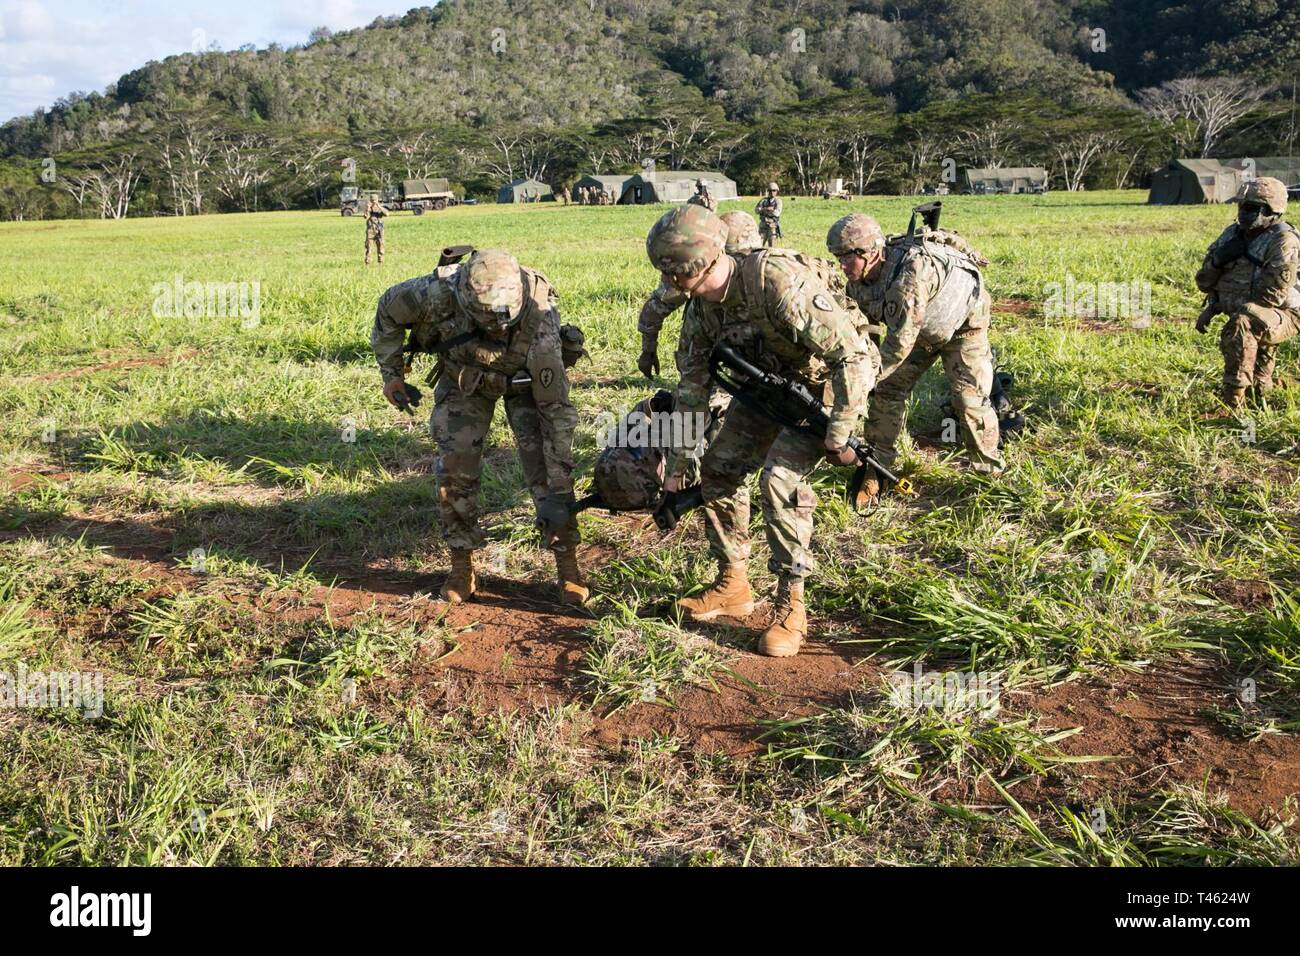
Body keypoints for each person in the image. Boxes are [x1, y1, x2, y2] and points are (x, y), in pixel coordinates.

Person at [647, 204, 879, 657]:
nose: (668, 282)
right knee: (718, 469)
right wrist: (677, 464)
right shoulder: (700, 313)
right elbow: (693, 391)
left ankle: (791, 604)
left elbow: (850, 356)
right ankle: (733, 584)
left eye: (670, 272)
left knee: (779, 480)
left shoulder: (774, 280)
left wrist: (838, 431)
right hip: (769, 391)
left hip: (825, 388)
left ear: (683, 270)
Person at [369, 250, 588, 606]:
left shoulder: (540, 319)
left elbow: (556, 417)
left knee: (546, 470)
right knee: (455, 463)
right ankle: (461, 564)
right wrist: (392, 375)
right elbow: (387, 311)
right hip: (463, 376)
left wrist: (559, 486)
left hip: (526, 383)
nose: (496, 328)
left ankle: (568, 566)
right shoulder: (432, 293)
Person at [827, 213, 1004, 505]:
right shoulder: (856, 280)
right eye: (838, 258)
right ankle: (878, 466)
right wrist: (865, 366)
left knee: (969, 400)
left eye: (847, 257)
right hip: (916, 329)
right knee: (886, 390)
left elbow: (897, 346)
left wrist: (865, 376)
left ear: (871, 253)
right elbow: (867, 326)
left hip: (963, 325)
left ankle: (989, 476)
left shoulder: (910, 277)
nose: (842, 265)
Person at [1195, 177, 1300, 411]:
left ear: (1272, 210)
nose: (1243, 213)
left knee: (1243, 324)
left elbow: (1271, 297)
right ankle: (1267, 386)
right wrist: (1218, 260)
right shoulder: (1233, 234)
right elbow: (1204, 282)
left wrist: (1226, 306)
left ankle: (1232, 402)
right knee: (1261, 390)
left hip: (1286, 314)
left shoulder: (1283, 241)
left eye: (1251, 208)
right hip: (1256, 312)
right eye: (1241, 206)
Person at [755, 183, 782, 248]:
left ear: (777, 191)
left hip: (772, 225)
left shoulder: (778, 201)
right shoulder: (763, 200)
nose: (772, 192)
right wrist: (767, 209)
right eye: (770, 190)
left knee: (772, 246)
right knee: (758, 245)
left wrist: (763, 211)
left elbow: (777, 213)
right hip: (763, 225)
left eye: (774, 190)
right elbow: (756, 210)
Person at [364, 195, 386, 265]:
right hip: (370, 231)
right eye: (372, 200)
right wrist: (368, 208)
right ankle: (368, 262)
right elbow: (365, 216)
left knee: (380, 246)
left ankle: (381, 262)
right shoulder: (368, 208)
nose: (373, 201)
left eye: (375, 200)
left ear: (377, 200)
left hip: (379, 231)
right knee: (369, 247)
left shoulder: (380, 208)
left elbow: (387, 213)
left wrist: (378, 206)